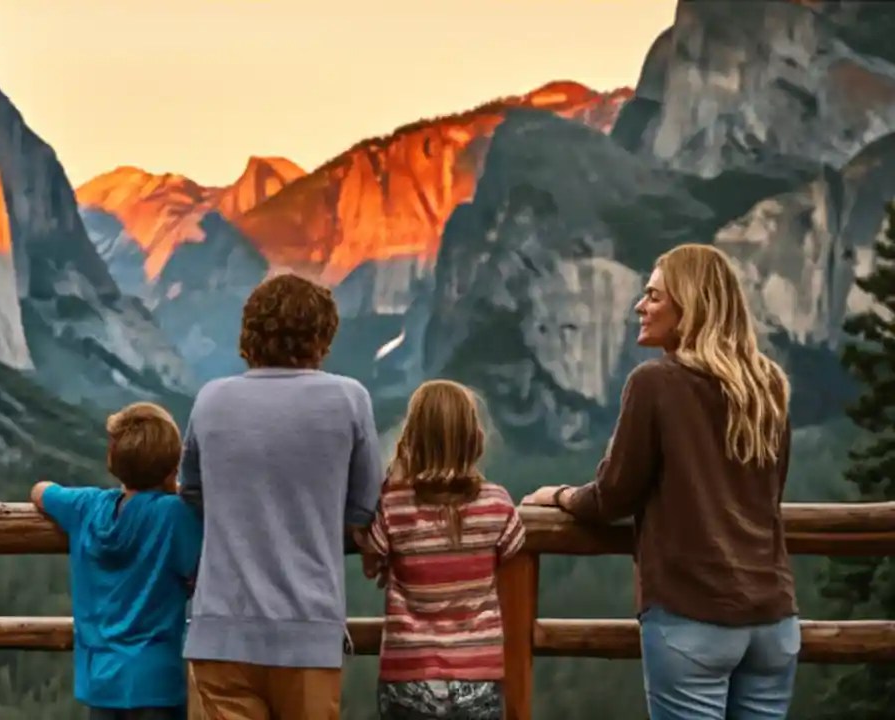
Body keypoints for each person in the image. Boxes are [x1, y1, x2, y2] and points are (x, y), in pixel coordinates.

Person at [521, 243, 797, 720]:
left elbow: (612, 495)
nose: (639, 306)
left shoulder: (655, 383)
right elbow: (771, 491)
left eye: (653, 295)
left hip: (692, 616)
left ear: (689, 305)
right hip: (774, 623)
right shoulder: (768, 385)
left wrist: (559, 496)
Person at [178, 273, 385, 719]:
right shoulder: (350, 400)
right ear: (322, 336)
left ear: (250, 332)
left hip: (220, 633)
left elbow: (192, 490)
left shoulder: (210, 399)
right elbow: (365, 505)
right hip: (309, 634)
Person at [361, 379, 525, 720]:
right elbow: (512, 550)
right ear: (474, 439)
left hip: (409, 674)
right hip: (478, 676)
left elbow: (371, 560)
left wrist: (396, 476)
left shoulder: (394, 506)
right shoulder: (497, 504)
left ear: (411, 439)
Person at [30, 401, 203, 720]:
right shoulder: (175, 515)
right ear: (172, 466)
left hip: (101, 685)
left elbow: (41, 491)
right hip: (157, 685)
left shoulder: (85, 506)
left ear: (113, 461)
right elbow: (198, 576)